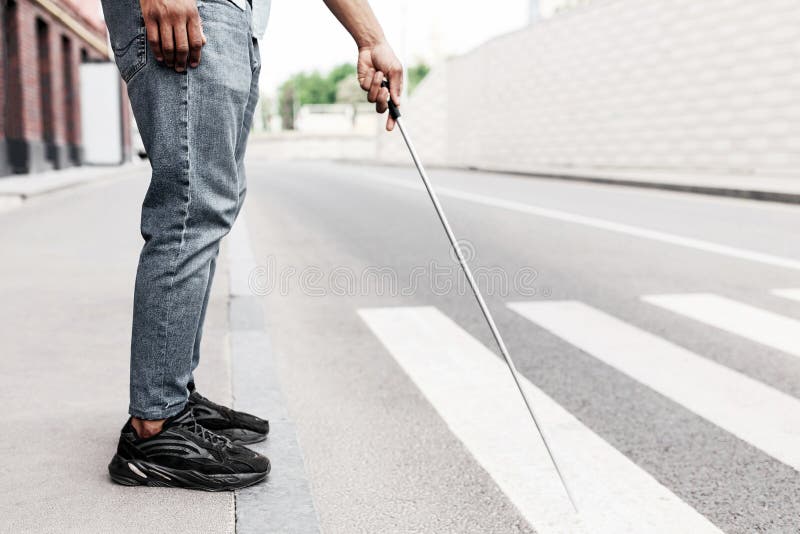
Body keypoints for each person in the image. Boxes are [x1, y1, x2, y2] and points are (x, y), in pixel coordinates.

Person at [101, 0, 403, 490]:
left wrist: (371, 39)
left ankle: (173, 393)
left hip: (235, 21)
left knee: (212, 204)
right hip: (191, 11)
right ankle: (154, 426)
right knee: (191, 205)